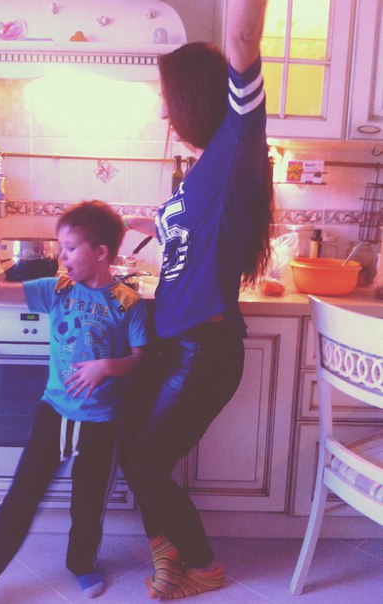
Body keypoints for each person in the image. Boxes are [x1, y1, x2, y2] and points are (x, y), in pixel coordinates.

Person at [119, 0, 272, 600]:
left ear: (192, 97)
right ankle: (168, 556)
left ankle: (204, 567)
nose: (163, 110)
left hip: (203, 350)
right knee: (134, 454)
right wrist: (144, 224)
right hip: (174, 340)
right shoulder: (207, 168)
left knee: (145, 462)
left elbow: (242, 37)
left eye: (166, 97)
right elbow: (188, 229)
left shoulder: (237, 145)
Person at [0, 200, 148, 604]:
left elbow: (139, 359)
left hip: (101, 420)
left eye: (71, 248)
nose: (62, 256)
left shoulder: (128, 302)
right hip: (54, 413)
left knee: (88, 503)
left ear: (101, 252)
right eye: (61, 247)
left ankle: (81, 563)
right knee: (20, 500)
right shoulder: (57, 290)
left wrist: (106, 367)